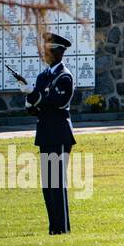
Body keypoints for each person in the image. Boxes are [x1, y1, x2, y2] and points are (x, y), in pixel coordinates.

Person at [12, 33, 77, 235]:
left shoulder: (64, 77)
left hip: (59, 134)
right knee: (48, 186)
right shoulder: (43, 77)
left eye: (49, 51)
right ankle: (54, 229)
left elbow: (57, 103)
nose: (45, 54)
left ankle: (63, 229)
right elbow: (37, 108)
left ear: (59, 52)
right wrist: (29, 100)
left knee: (57, 184)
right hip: (45, 135)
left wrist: (34, 95)